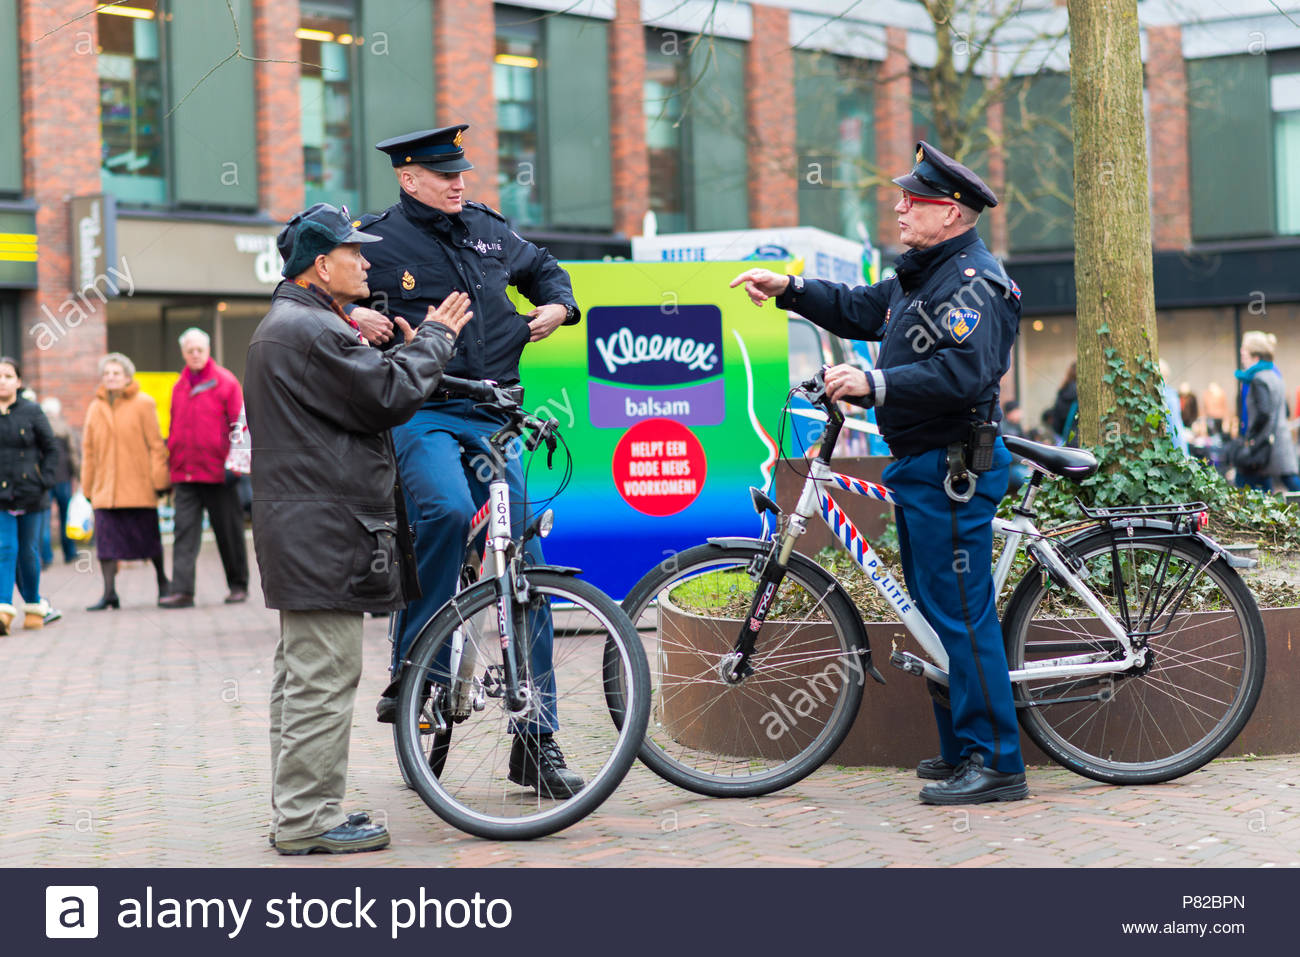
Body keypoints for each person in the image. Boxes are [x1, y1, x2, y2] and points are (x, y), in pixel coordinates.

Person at [731, 140, 1027, 805]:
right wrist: (790, 289)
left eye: (913, 200)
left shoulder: (973, 281)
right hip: (923, 466)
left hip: (953, 465)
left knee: (960, 615)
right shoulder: (925, 272)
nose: (899, 207)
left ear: (951, 212)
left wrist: (876, 380)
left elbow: (964, 371)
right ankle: (962, 750)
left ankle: (999, 761)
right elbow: (861, 307)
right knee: (934, 613)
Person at [351, 124, 585, 797]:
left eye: (461, 171)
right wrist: (353, 320)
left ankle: (535, 740)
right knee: (448, 512)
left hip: (497, 413)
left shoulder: (486, 229)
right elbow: (322, 294)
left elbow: (544, 268)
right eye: (443, 173)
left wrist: (557, 307)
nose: (459, 182)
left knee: (525, 566)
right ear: (408, 177)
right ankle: (412, 671)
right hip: (424, 408)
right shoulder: (376, 237)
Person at [246, 202, 471, 855]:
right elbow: (387, 396)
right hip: (325, 534)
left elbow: (362, 392)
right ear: (322, 263)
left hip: (305, 533)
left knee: (303, 675)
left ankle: (300, 806)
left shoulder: (295, 324)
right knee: (323, 675)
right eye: (355, 252)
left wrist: (397, 347)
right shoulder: (312, 330)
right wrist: (433, 337)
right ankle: (307, 819)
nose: (367, 262)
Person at [158, 328, 250, 608]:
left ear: (207, 350)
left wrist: (236, 466)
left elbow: (241, 425)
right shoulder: (178, 386)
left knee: (229, 532)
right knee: (184, 532)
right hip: (185, 473)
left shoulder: (225, 381)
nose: (195, 354)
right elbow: (175, 426)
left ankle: (238, 586)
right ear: (183, 353)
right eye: (190, 350)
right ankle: (183, 590)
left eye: (199, 349)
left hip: (220, 473)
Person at [80, 353, 171, 610]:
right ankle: (109, 593)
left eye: (116, 373)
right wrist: (87, 487)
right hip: (105, 490)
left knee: (150, 539)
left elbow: (156, 445)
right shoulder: (95, 408)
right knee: (106, 545)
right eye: (107, 373)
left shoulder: (144, 403)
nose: (110, 377)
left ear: (128, 377)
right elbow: (88, 451)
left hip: (139, 486)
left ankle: (163, 582)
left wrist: (159, 480)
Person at [0, 358, 57, 633]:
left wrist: (44, 480)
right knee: (5, 549)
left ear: (18, 382)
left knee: (29, 552)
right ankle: (3, 610)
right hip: (1, 497)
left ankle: (34, 607)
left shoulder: (32, 411)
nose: (2, 381)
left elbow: (52, 449)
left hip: (31, 494)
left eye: (8, 376)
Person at [1233, 331, 1300, 493]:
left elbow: (1264, 412)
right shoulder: (1274, 375)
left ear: (1255, 357)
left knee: (1246, 483)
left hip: (1265, 443)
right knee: (1277, 482)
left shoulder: (1258, 379)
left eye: (1245, 353)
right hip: (1276, 442)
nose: (1242, 356)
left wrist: (1252, 436)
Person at [38, 397, 80, 567]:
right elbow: (73, 454)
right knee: (66, 517)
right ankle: (69, 553)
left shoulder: (38, 427)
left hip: (44, 479)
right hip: (63, 478)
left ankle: (46, 557)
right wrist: (77, 474)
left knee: (44, 519)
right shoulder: (64, 428)